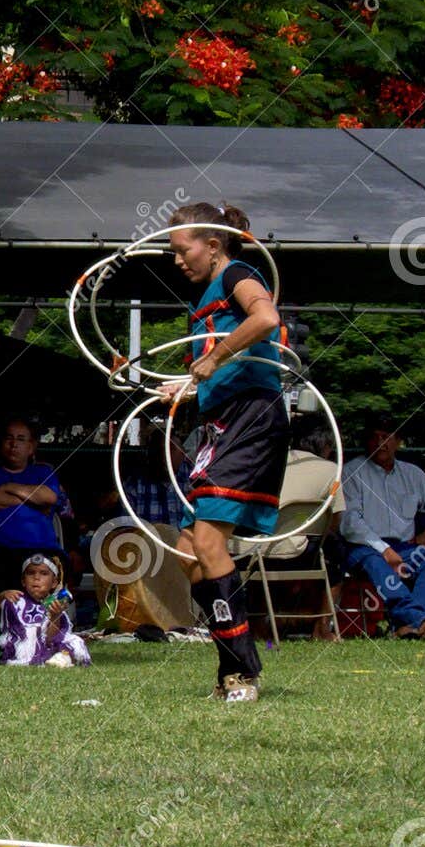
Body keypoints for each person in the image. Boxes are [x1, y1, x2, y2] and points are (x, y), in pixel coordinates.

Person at [160, 201, 284, 704]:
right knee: (191, 551)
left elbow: (266, 317)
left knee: (209, 540)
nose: (176, 260)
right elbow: (216, 371)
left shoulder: (236, 271)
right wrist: (181, 387)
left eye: (181, 249)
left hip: (251, 418)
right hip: (221, 421)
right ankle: (231, 666)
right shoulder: (206, 299)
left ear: (211, 244)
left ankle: (243, 673)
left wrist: (213, 355)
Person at [340, 418, 425, 640]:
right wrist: (384, 550)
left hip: (405, 547)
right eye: (374, 437)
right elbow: (350, 522)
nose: (380, 442)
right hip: (365, 547)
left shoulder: (413, 474)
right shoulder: (352, 472)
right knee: (373, 561)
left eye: (386, 437)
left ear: (398, 441)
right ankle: (420, 620)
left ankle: (407, 625)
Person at [0, 416, 68, 616]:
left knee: (48, 571)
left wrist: (8, 488)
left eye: (21, 439)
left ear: (31, 447)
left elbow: (49, 497)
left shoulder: (42, 472)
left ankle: (44, 627)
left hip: (38, 547)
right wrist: (31, 499)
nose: (14, 444)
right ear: (1, 443)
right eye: (9, 438)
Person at [0, 554, 91, 667]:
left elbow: (51, 639)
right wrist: (2, 595)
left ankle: (61, 659)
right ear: (23, 581)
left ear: (54, 582)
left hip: (47, 645)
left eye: (43, 573)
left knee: (74, 641)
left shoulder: (55, 605)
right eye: (31, 573)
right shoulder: (15, 598)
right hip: (21, 645)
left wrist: (55, 616)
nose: (36, 577)